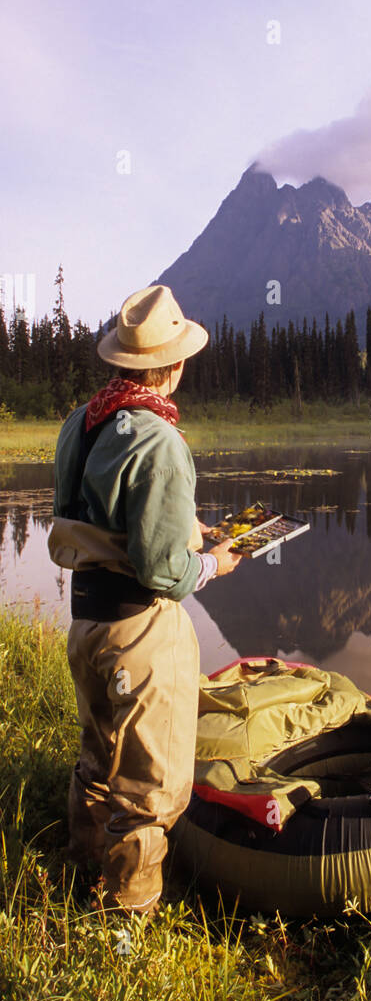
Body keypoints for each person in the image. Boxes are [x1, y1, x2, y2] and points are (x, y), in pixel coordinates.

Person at [47, 284, 242, 916]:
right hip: (139, 629)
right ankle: (126, 922)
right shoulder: (161, 442)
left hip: (87, 623)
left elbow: (102, 519)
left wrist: (192, 530)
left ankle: (79, 869)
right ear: (176, 364)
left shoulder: (84, 420)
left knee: (98, 757)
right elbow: (163, 573)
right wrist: (213, 560)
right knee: (148, 789)